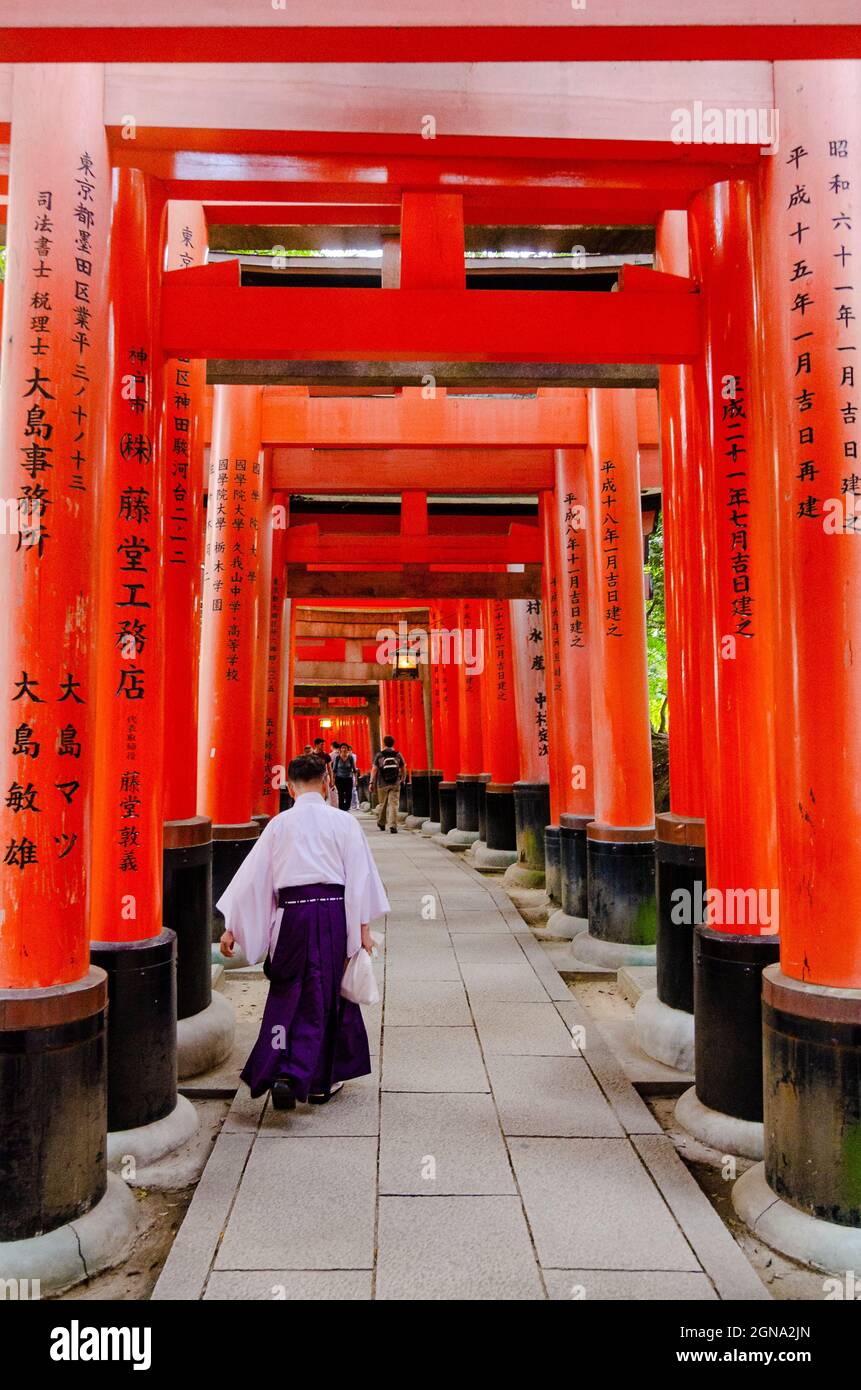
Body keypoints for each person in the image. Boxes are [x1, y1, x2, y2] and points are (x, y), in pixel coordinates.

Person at [217, 753, 390, 1111]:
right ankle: (315, 1080)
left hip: (291, 916)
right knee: (326, 994)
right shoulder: (343, 822)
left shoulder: (279, 825)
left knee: (286, 991)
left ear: (290, 787)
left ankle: (280, 1069)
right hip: (332, 911)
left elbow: (255, 880)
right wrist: (361, 930)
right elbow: (358, 879)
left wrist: (233, 927)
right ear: (327, 781)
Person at [371, 734, 405, 834]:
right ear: (393, 743)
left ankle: (381, 822)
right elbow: (403, 767)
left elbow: (374, 769)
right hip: (395, 782)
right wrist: (403, 778)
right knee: (394, 804)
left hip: (382, 783)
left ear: (384, 743)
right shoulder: (398, 754)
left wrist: (371, 781)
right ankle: (393, 826)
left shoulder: (379, 755)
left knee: (383, 804)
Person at [333, 742, 357, 812]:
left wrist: (355, 781)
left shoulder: (350, 757)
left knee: (348, 794)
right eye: (342, 748)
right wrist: (333, 780)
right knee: (340, 794)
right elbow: (334, 770)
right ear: (340, 749)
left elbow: (354, 769)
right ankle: (341, 809)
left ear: (348, 749)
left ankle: (346, 808)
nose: (344, 749)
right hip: (339, 778)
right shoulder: (337, 758)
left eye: (345, 748)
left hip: (348, 778)